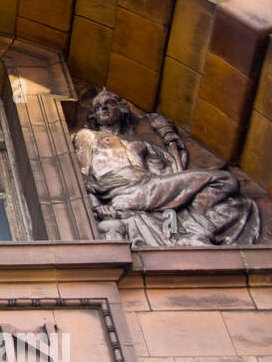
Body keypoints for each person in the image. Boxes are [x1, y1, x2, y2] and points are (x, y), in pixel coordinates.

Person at [73, 90, 258, 246]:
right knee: (222, 180)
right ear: (93, 117)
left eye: (109, 104)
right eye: (97, 108)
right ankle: (193, 231)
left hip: (151, 185)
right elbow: (84, 176)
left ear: (121, 109)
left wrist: (169, 137)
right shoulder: (87, 135)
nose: (103, 109)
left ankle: (191, 228)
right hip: (124, 190)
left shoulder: (140, 144)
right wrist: (98, 208)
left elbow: (172, 172)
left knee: (224, 180)